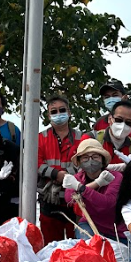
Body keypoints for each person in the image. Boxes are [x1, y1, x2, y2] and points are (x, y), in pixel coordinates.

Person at [37, 94, 83, 242]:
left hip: (76, 202)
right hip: (49, 201)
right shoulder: (39, 138)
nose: (58, 114)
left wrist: (62, 175)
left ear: (69, 112)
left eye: (62, 110)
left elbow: (86, 164)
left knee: (77, 247)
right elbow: (35, 163)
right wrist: (56, 174)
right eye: (54, 111)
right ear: (48, 115)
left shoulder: (82, 138)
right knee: (50, 248)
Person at [62, 138, 125, 241]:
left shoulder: (115, 176)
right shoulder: (77, 178)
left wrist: (80, 188)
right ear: (79, 161)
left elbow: (107, 203)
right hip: (89, 223)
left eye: (95, 157)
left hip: (116, 228)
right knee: (89, 245)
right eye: (85, 157)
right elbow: (69, 199)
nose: (90, 160)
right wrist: (96, 184)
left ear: (102, 160)